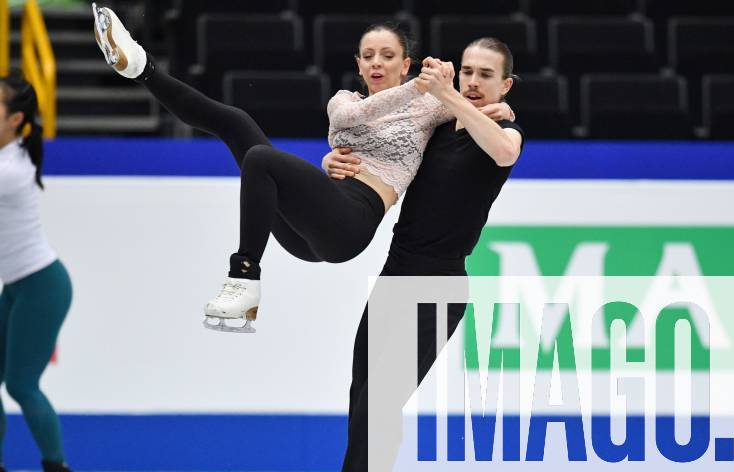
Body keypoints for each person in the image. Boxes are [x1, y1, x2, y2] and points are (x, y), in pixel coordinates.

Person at [91, 5, 512, 332]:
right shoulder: (345, 100)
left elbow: (470, 113)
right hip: (310, 227)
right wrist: (411, 92)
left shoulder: (430, 105)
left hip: (350, 224)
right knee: (237, 124)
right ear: (359, 64)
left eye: (388, 56)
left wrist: (498, 105)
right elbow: (353, 120)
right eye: (368, 56)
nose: (377, 63)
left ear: (407, 63)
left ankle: (244, 278)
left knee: (260, 158)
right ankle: (142, 67)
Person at [305, 38, 524, 472]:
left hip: (439, 283)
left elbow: (503, 151)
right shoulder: (430, 125)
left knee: (378, 409)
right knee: (366, 408)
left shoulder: (498, 129)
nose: (474, 80)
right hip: (394, 273)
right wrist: (335, 163)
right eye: (467, 70)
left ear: (506, 86)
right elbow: (376, 150)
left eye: (486, 75)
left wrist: (455, 96)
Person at [0, 76, 79, 472]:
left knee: (21, 384)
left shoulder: (10, 171)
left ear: (14, 119)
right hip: (18, 286)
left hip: (42, 286)